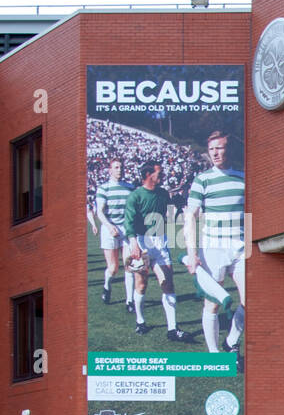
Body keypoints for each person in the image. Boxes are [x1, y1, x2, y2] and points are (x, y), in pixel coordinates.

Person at [183, 131, 246, 358]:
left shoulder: (243, 177)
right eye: (211, 149)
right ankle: (213, 355)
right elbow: (191, 216)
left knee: (251, 300)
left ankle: (231, 341)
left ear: (229, 149)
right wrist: (192, 253)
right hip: (213, 249)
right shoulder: (203, 180)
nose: (215, 153)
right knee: (212, 303)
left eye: (219, 148)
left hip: (241, 247)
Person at [124, 160, 193, 342]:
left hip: (161, 242)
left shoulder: (163, 193)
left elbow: (174, 208)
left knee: (168, 283)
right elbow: (128, 221)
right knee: (141, 284)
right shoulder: (135, 196)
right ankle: (140, 321)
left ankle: (172, 329)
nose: (163, 175)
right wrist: (133, 243)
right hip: (141, 243)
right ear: (148, 174)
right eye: (159, 172)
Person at [94, 157, 134, 310]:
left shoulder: (130, 187)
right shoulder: (103, 188)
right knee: (113, 268)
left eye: (121, 167)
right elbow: (99, 211)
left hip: (126, 229)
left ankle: (129, 301)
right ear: (110, 170)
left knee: (129, 266)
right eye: (116, 167)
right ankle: (107, 286)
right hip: (109, 228)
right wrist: (109, 226)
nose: (119, 170)